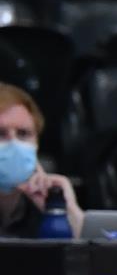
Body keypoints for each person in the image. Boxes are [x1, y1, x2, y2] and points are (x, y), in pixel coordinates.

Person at [0, 85, 82, 239]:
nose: (14, 144)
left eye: (23, 134)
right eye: (0, 134)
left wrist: (66, 211)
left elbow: (92, 259)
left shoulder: (41, 201)